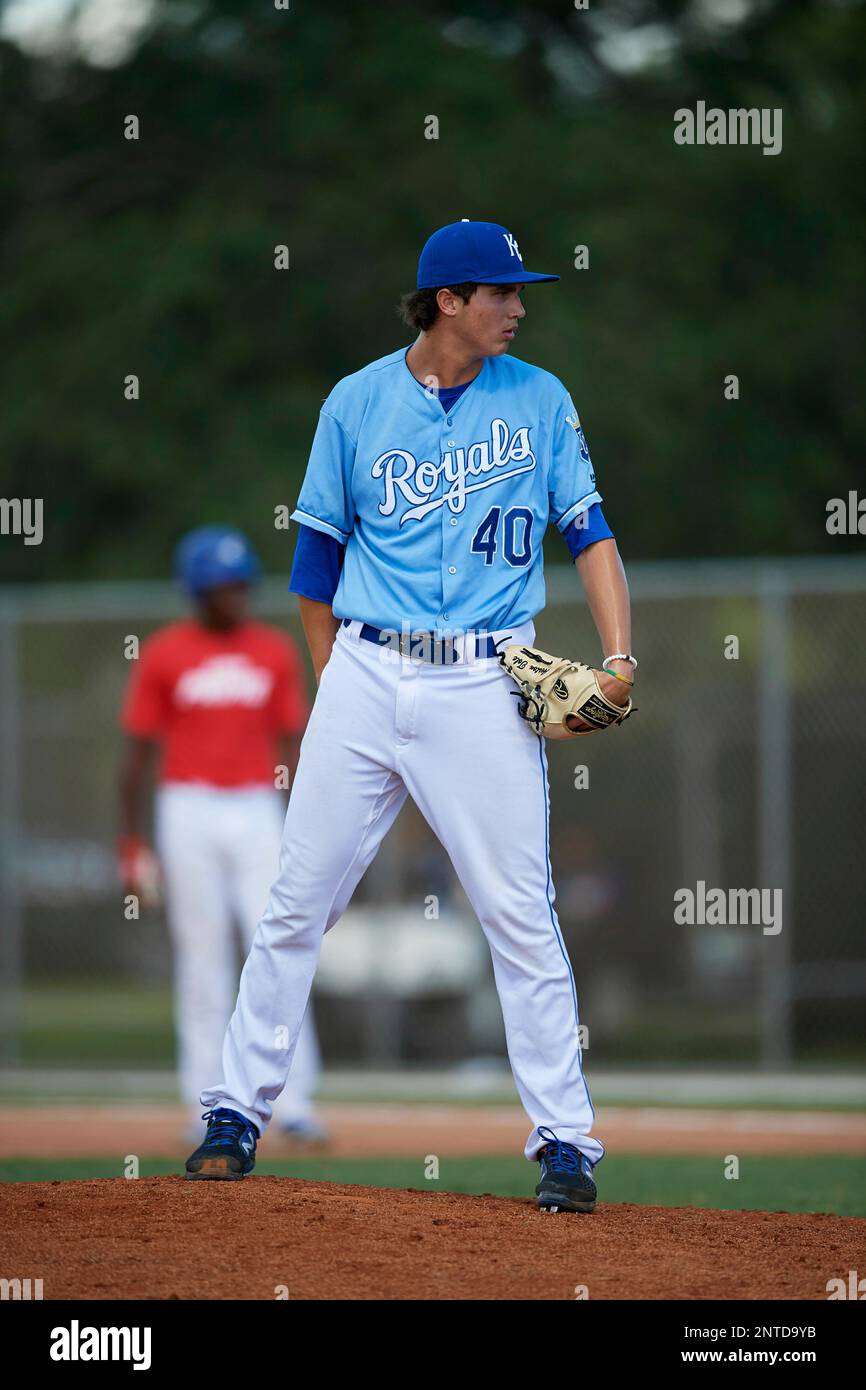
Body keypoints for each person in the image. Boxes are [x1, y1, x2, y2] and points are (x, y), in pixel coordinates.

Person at [185, 221, 635, 1213]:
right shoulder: (354, 402)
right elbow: (314, 567)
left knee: (519, 915)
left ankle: (564, 1139)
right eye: (499, 292)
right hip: (365, 669)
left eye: (518, 293)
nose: (517, 307)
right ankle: (233, 1110)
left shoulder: (540, 400)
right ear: (445, 300)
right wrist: (334, 687)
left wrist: (616, 658)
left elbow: (589, 533)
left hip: (483, 681)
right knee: (297, 905)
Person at [118, 526, 327, 1146]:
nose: (233, 596)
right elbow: (135, 753)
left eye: (240, 585)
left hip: (258, 801)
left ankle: (292, 1099)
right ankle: (204, 1097)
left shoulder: (272, 650)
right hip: (185, 805)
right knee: (202, 954)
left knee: (282, 941)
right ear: (196, 590)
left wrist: (307, 817)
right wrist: (130, 842)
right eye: (221, 586)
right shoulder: (164, 652)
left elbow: (296, 738)